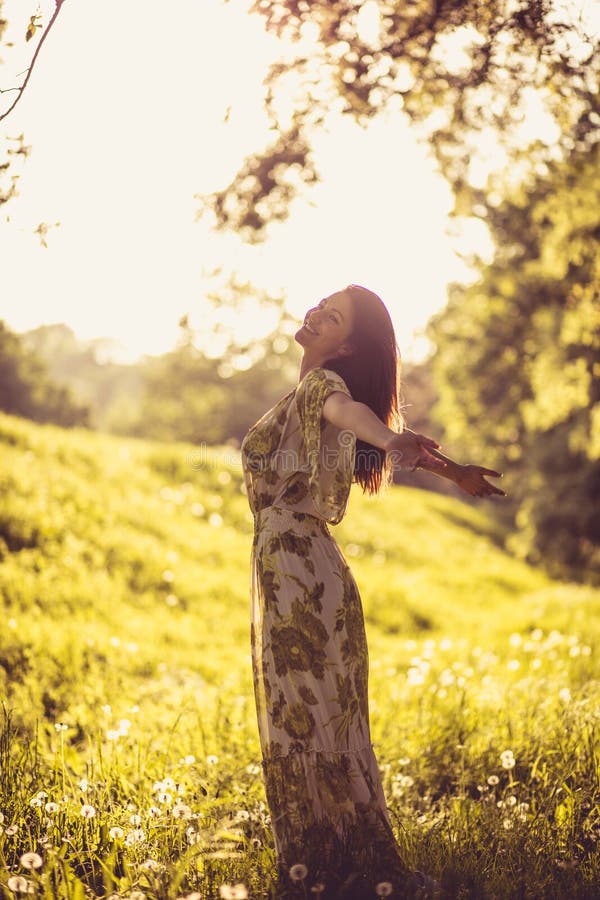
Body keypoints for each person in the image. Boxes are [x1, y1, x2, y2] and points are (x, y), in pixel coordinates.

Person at [241, 285, 505, 899]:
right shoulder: (313, 394)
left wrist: (389, 443)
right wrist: (451, 470)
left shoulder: (322, 390)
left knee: (306, 716)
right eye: (320, 305)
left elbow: (355, 419)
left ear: (348, 345)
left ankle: (327, 869)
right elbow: (376, 426)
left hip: (298, 567)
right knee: (324, 716)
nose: (315, 315)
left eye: (331, 318)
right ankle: (336, 865)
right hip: (306, 566)